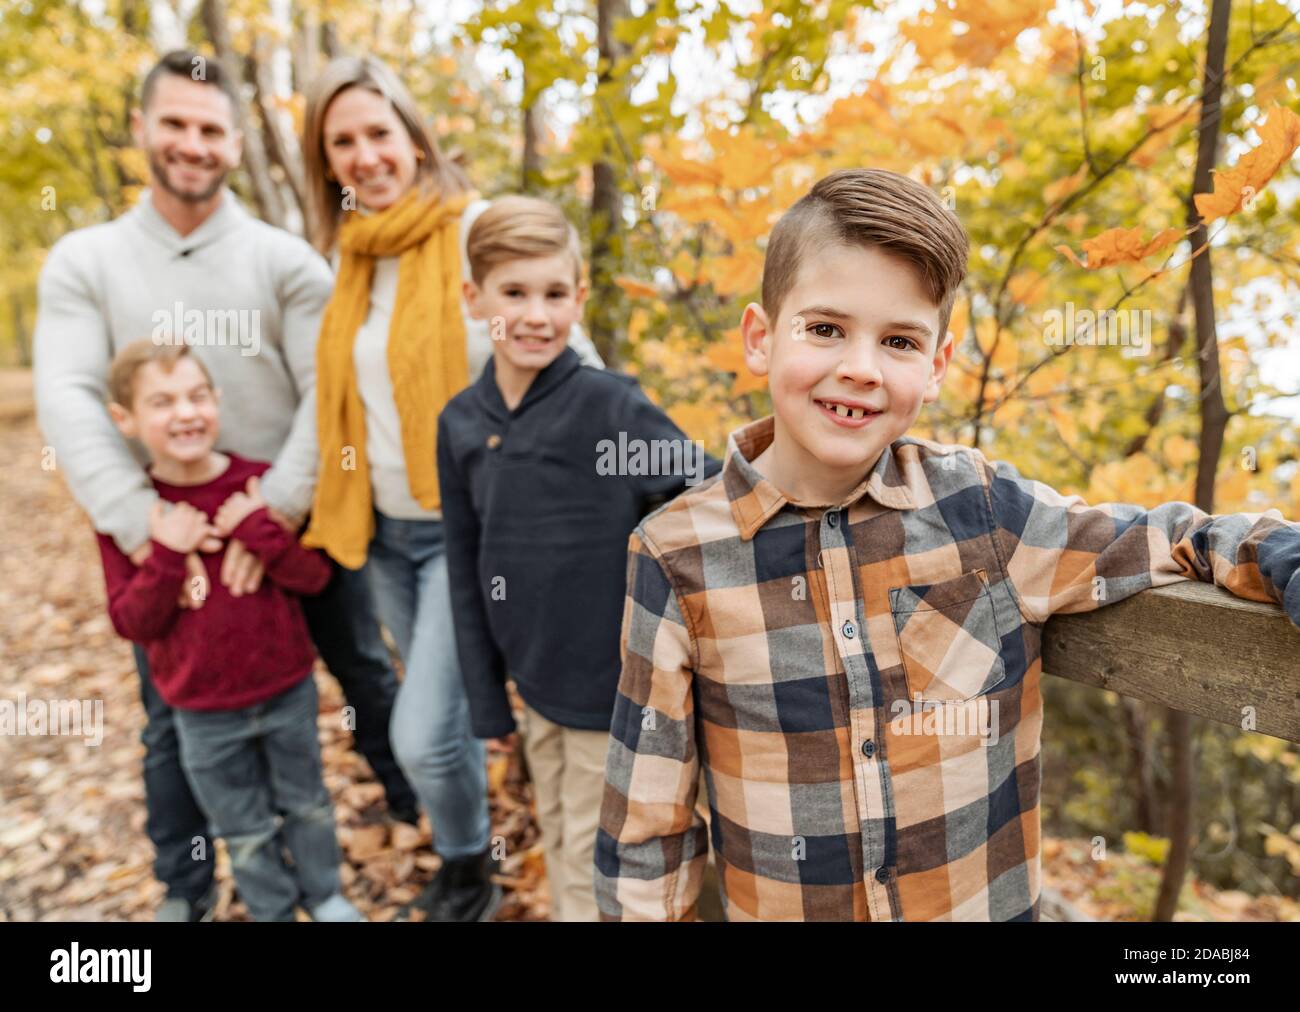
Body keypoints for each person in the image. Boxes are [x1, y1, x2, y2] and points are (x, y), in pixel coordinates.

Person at [594, 167, 1300, 922]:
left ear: (935, 367)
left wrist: (1278, 555)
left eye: (898, 340)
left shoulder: (984, 513)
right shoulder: (676, 554)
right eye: (825, 328)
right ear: (762, 339)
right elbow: (649, 824)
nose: (860, 368)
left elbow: (1170, 538)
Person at [32, 50, 416, 922]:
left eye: (211, 129)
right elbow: (68, 397)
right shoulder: (84, 262)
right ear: (141, 131)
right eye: (174, 124)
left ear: (237, 143)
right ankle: (186, 889)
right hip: (166, 539)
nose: (192, 144)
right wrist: (148, 529)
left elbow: (332, 390)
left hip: (292, 517)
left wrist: (271, 509)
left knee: (360, 668)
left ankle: (420, 818)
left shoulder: (285, 261)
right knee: (172, 714)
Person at [299, 55, 601, 922]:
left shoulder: (474, 229)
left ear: (414, 138)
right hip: (383, 529)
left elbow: (567, 355)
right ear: (326, 160)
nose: (365, 156)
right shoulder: (348, 259)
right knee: (443, 724)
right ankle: (468, 865)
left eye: (378, 133)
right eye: (342, 141)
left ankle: (474, 858)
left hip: (463, 527)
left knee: (422, 727)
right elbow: (338, 401)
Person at [437, 195, 720, 921]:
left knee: (592, 857)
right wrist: (484, 693)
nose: (536, 314)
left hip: (612, 691)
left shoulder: (609, 408)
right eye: (515, 293)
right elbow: (466, 563)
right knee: (556, 825)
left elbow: (708, 491)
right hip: (533, 686)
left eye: (555, 293)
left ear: (579, 299)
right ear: (474, 299)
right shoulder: (463, 424)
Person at [96, 340, 362, 922]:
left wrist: (260, 529)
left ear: (218, 401)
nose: (185, 413)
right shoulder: (135, 513)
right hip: (201, 710)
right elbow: (131, 621)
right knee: (242, 827)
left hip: (287, 691)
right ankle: (271, 908)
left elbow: (314, 580)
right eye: (162, 402)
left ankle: (326, 897)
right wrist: (167, 553)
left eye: (197, 396)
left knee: (309, 805)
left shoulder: (256, 485)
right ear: (125, 420)